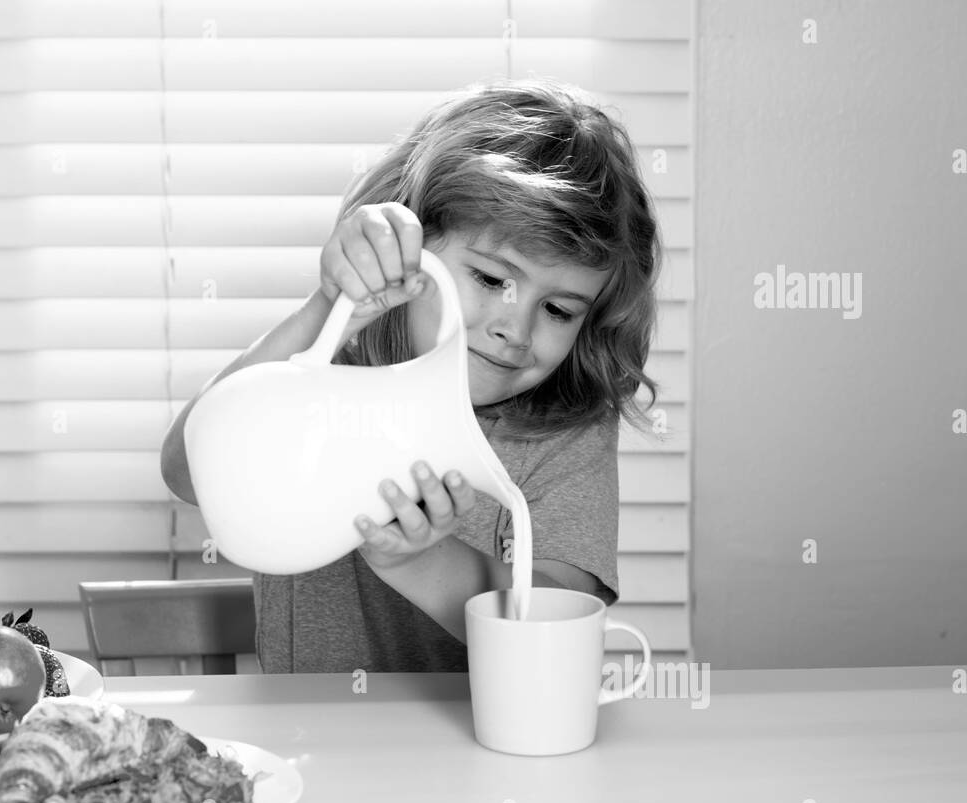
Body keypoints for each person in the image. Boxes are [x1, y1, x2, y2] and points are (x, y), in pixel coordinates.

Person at [162, 77, 662, 673]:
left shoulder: (564, 431)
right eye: (489, 278)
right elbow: (187, 470)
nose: (516, 329)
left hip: (477, 755)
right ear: (417, 246)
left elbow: (553, 633)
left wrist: (421, 560)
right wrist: (330, 309)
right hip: (308, 745)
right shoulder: (327, 378)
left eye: (557, 310)